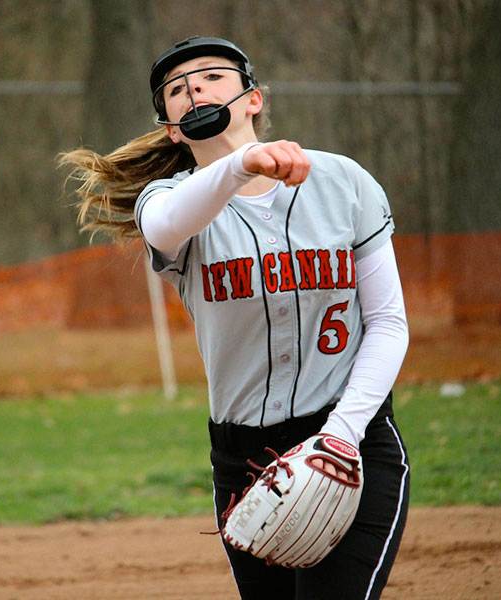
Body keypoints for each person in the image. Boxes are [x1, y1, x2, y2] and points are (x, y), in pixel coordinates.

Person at [59, 36, 410, 600]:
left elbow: (389, 322)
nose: (193, 87)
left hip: (354, 439)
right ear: (173, 127)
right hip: (245, 459)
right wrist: (242, 164)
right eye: (175, 89)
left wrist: (341, 435)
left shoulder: (344, 182)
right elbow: (169, 222)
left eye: (211, 76)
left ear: (253, 100)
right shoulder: (164, 201)